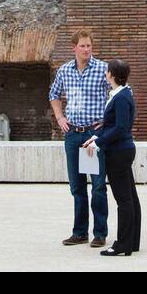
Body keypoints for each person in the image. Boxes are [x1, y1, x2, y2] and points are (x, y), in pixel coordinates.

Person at [48, 29, 109, 248]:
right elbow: (53, 94)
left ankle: (100, 233)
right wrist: (59, 117)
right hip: (73, 134)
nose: (86, 50)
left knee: (98, 186)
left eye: (89, 46)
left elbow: (116, 92)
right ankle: (80, 232)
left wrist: (107, 120)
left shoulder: (103, 69)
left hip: (93, 135)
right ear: (74, 48)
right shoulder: (64, 71)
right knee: (77, 186)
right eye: (82, 46)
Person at [84, 58, 140, 257]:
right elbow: (112, 125)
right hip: (121, 150)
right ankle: (132, 241)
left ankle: (123, 244)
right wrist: (95, 136)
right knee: (130, 198)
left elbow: (121, 127)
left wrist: (98, 142)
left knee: (123, 200)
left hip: (119, 153)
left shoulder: (122, 97)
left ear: (113, 75)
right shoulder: (119, 94)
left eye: (107, 71)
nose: (105, 73)